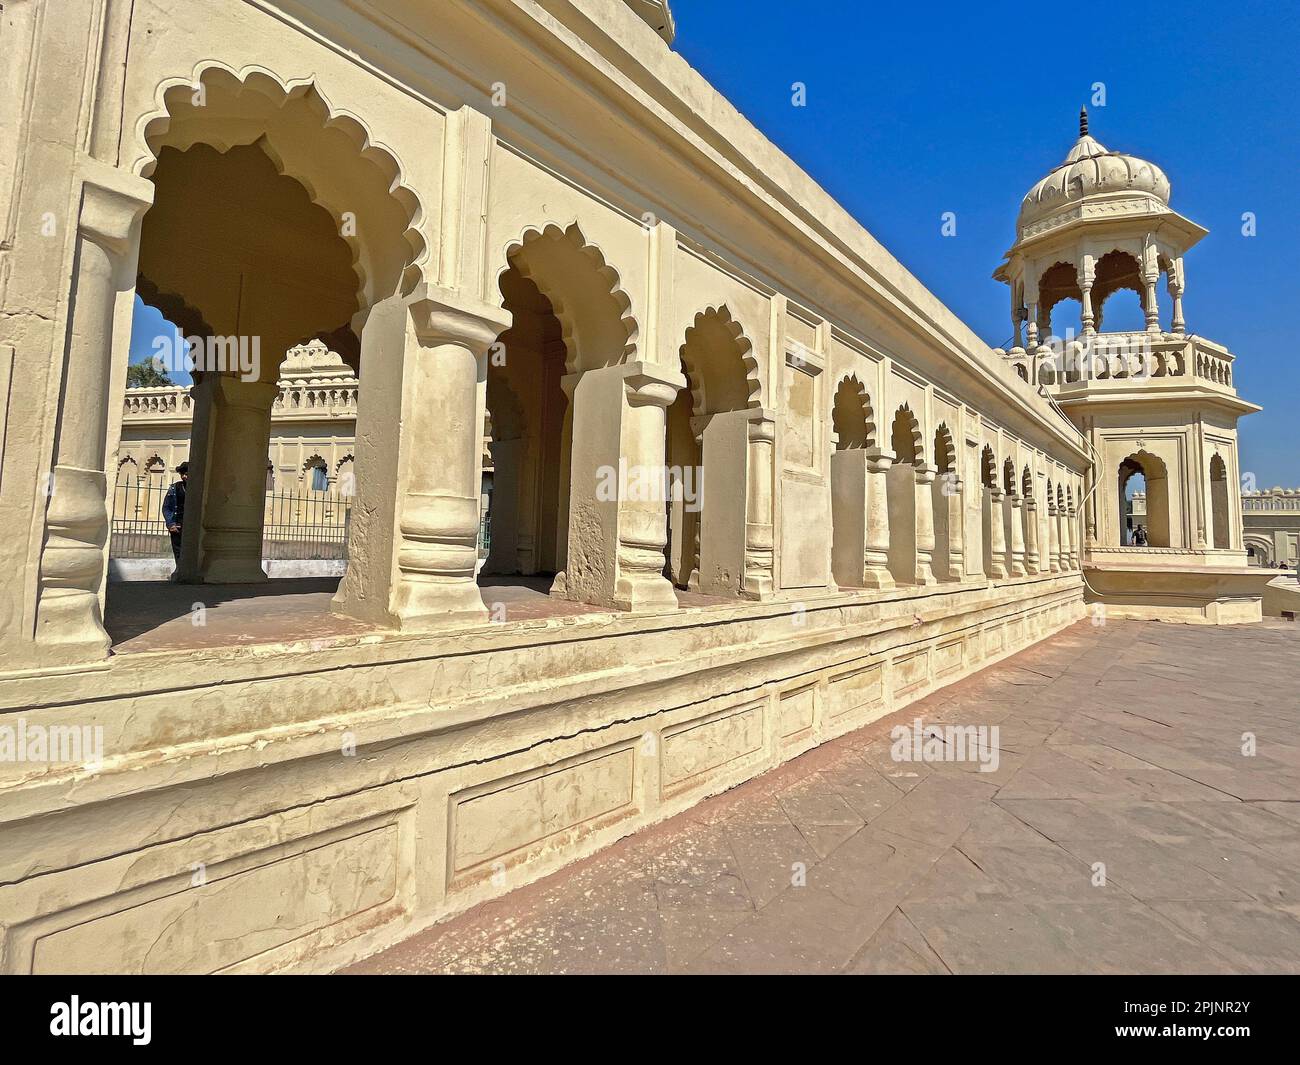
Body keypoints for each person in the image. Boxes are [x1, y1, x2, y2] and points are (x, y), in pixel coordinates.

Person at [162, 461, 188, 563]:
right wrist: (170, 524)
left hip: (192, 527)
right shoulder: (175, 488)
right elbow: (166, 507)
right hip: (178, 526)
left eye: (187, 474)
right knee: (178, 554)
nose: (184, 477)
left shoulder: (199, 489)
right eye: (183, 474)